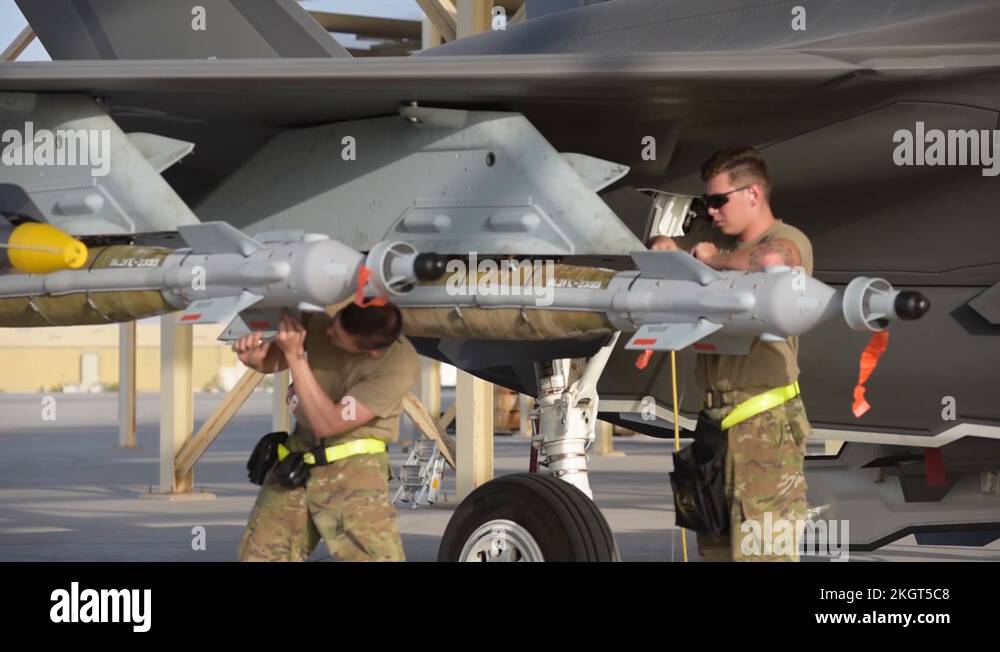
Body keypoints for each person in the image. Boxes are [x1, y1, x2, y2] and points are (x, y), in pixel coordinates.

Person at [650, 146, 814, 561]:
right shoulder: (714, 254)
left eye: (720, 200)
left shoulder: (787, 240)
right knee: (717, 552)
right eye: (707, 203)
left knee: (763, 554)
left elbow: (777, 260)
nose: (713, 212)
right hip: (714, 424)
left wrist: (715, 259)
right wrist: (666, 249)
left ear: (754, 194)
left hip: (764, 425)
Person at [235, 302, 419, 561]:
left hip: (355, 472)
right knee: (260, 555)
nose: (329, 333)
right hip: (296, 460)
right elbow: (277, 358)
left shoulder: (398, 365)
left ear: (373, 351)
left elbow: (327, 423)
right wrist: (256, 359)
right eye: (334, 324)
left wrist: (296, 362)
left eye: (339, 336)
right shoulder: (325, 320)